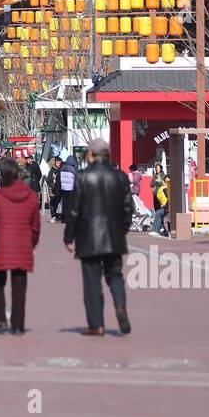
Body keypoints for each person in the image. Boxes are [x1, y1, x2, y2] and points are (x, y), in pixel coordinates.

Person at [64, 137, 133, 336]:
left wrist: (69, 237)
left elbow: (74, 210)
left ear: (92, 155)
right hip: (114, 236)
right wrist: (123, 229)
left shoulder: (83, 176)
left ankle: (97, 325)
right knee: (115, 276)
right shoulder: (120, 176)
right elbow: (128, 207)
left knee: (92, 282)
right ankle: (120, 306)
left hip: (89, 238)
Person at [0, 157, 41, 334]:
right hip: (23, 246)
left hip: (0, 245)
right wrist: (32, 244)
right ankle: (18, 324)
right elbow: (36, 225)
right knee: (19, 286)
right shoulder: (30, 195)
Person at [58, 152, 79, 226]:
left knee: (65, 204)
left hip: (64, 188)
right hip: (71, 188)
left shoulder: (62, 168)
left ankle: (64, 218)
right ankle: (69, 219)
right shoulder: (72, 169)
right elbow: (76, 177)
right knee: (70, 204)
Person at [149, 172, 170, 238]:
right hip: (167, 207)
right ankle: (161, 230)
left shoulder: (165, 189)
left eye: (165, 181)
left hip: (168, 207)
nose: (164, 182)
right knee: (159, 213)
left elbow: (168, 198)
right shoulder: (165, 188)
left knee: (159, 213)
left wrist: (165, 205)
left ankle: (156, 231)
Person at [47, 156, 63, 222]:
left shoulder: (62, 170)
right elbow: (49, 180)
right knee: (53, 203)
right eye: (57, 163)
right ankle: (53, 216)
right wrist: (53, 186)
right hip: (53, 190)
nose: (58, 164)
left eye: (59, 163)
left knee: (59, 203)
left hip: (59, 190)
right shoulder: (52, 170)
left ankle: (59, 216)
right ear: (55, 163)